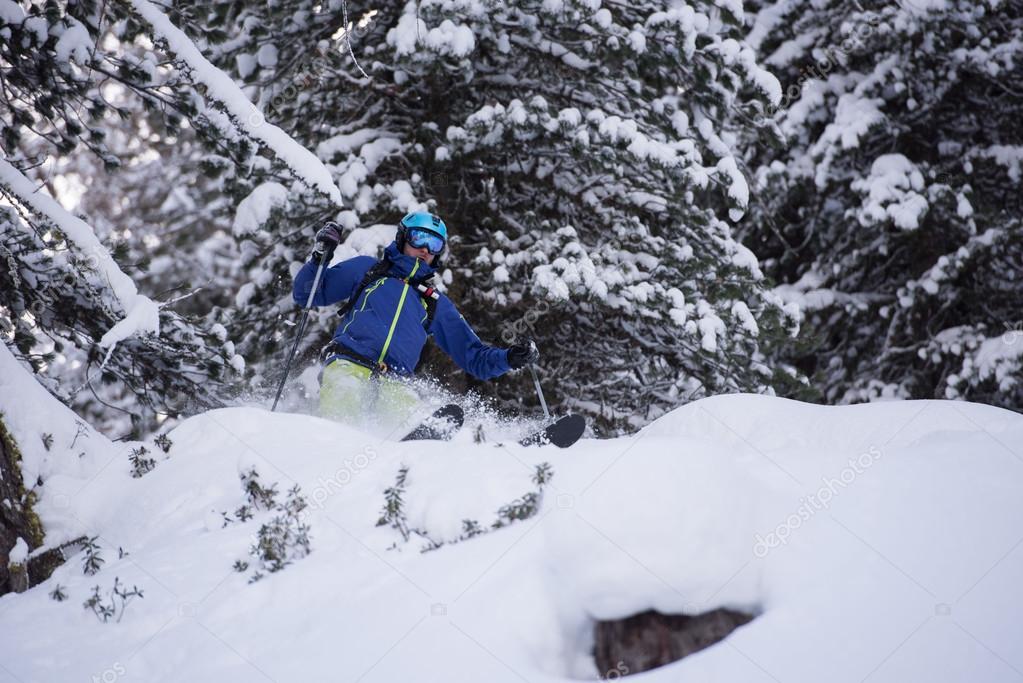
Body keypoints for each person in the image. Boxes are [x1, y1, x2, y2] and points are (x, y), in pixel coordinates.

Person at [292, 211, 539, 430]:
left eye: (434, 244)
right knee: (344, 405)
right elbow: (307, 294)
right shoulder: (368, 270)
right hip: (348, 363)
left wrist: (508, 358)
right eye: (419, 238)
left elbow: (473, 356)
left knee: (408, 421)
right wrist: (319, 259)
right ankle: (331, 452)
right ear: (402, 238)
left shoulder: (433, 302)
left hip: (395, 381)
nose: (425, 249)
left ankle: (425, 451)